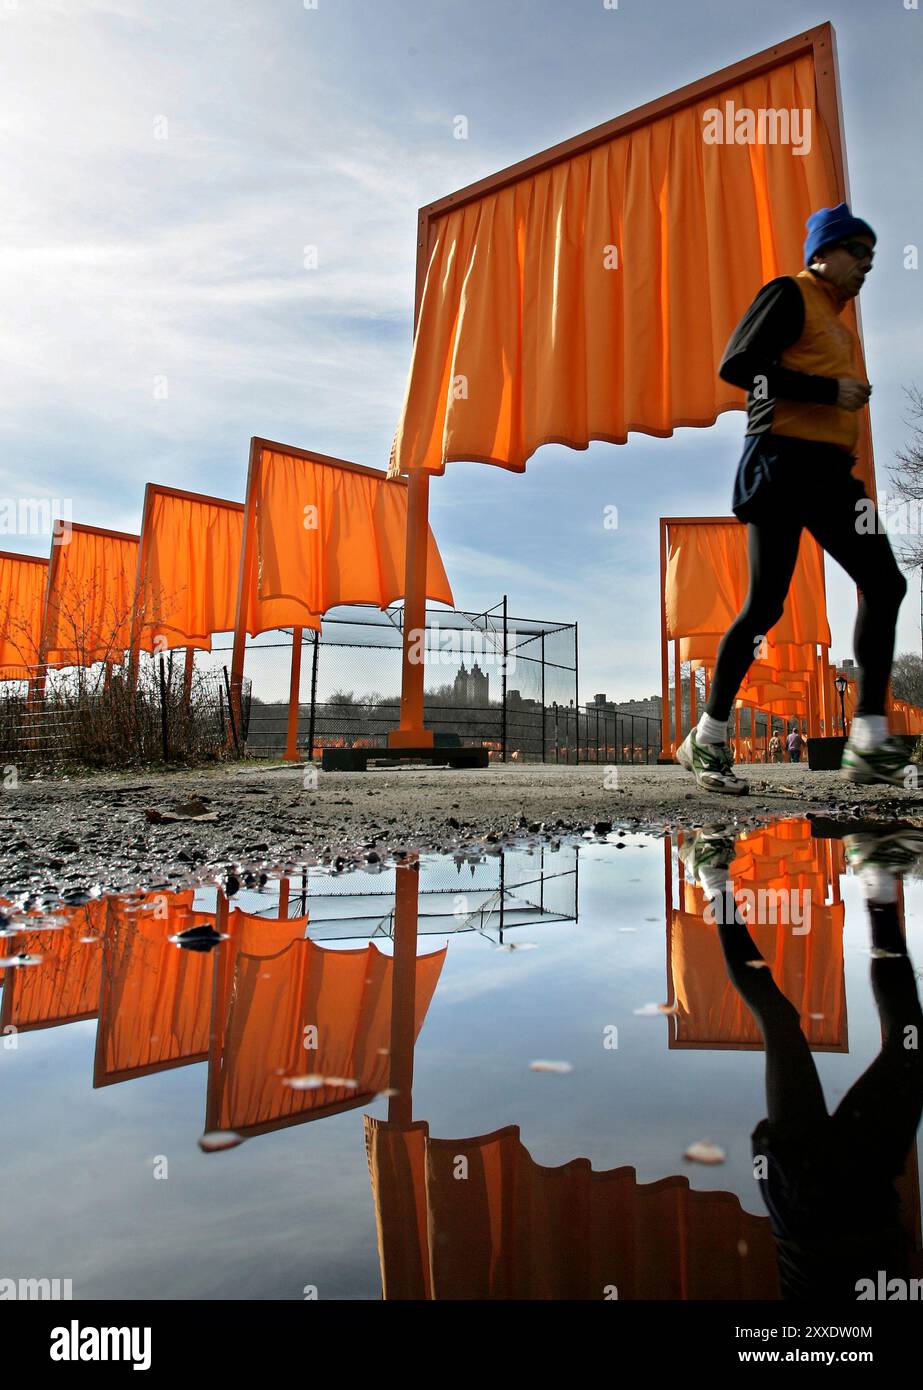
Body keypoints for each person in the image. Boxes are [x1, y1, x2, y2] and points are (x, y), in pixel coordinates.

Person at [676, 203, 909, 795]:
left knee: (885, 583)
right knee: (764, 607)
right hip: (779, 463)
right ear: (823, 253)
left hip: (831, 475)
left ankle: (869, 739)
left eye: (872, 256)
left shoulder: (837, 322)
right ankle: (708, 735)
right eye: (857, 251)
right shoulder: (788, 294)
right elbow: (739, 366)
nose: (866, 265)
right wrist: (829, 390)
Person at [682, 825, 923, 1299]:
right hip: (855, 1195)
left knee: (784, 1022)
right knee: (897, 1041)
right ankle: (875, 874)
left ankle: (714, 877)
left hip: (812, 1202)